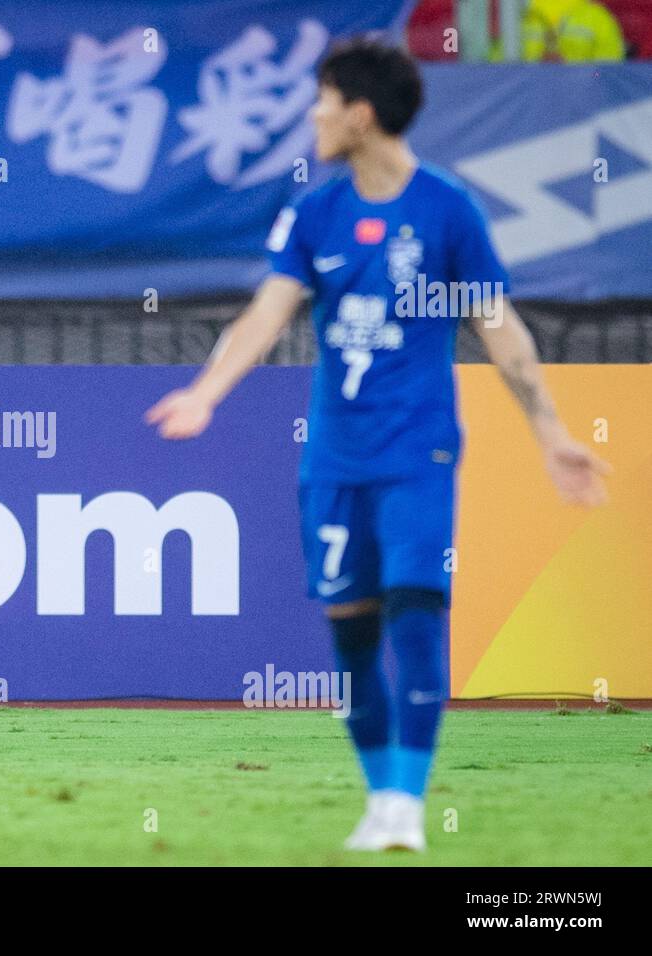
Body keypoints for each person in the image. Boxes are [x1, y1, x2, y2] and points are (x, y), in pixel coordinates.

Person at [145, 38, 609, 851]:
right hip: (334, 457)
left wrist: (551, 430)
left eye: (323, 100)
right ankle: (381, 793)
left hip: (418, 448)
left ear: (359, 115)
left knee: (417, 606)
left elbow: (498, 326)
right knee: (352, 627)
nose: (313, 115)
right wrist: (206, 392)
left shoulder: (449, 210)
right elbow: (268, 311)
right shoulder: (316, 211)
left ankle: (405, 802)